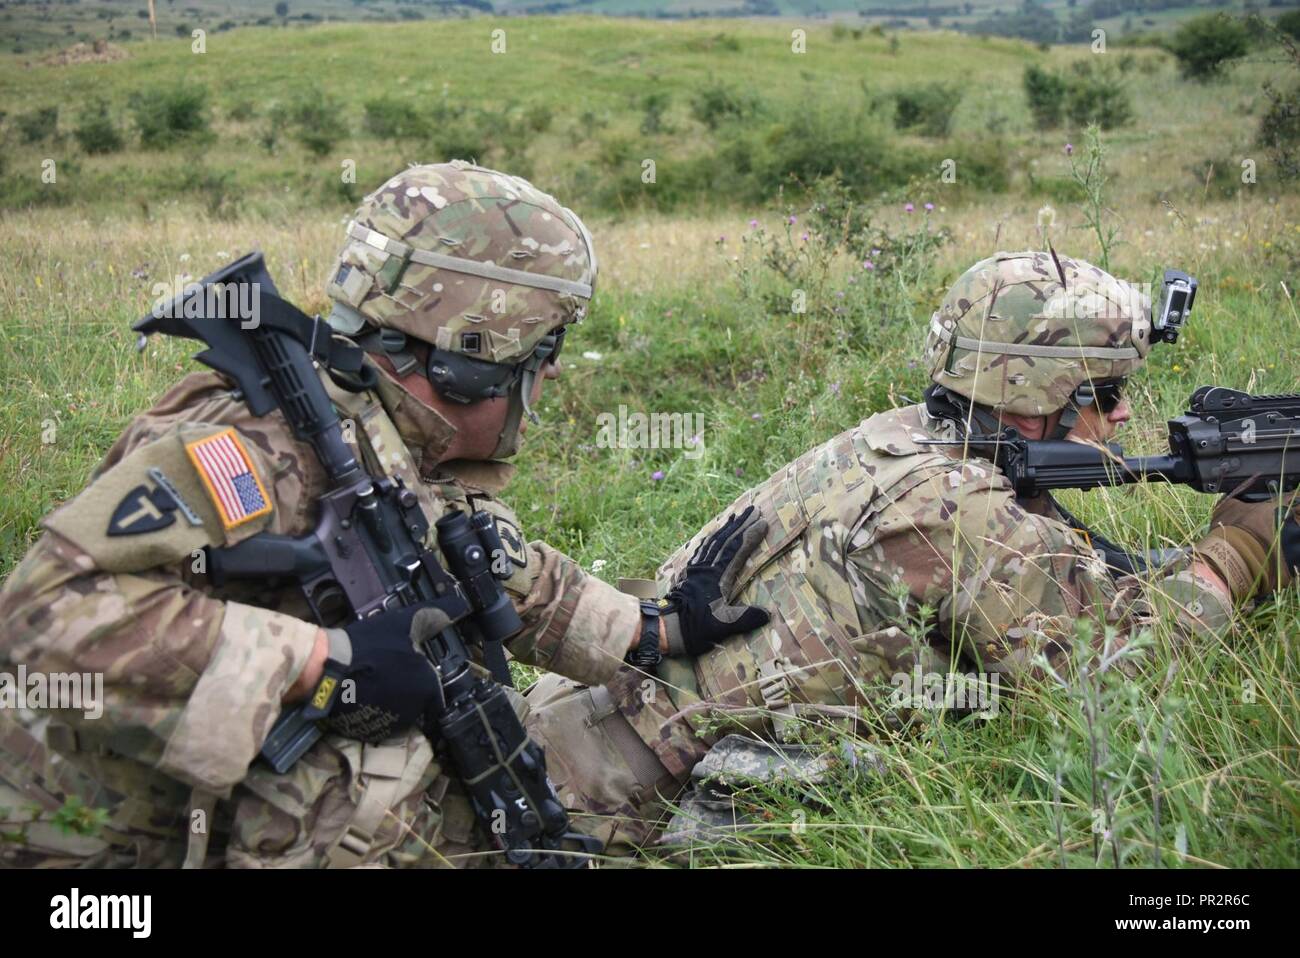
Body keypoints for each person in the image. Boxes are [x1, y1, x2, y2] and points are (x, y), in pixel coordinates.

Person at [0, 161, 767, 868]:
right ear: (471, 359)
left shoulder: (373, 430)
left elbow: (471, 564)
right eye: (543, 346)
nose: (555, 369)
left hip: (201, 810)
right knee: (374, 781)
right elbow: (42, 618)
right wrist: (323, 663)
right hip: (90, 851)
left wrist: (651, 629)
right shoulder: (248, 449)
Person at [524, 249, 1300, 855]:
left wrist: (1161, 566)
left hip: (565, 733)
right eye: (1103, 393)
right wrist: (1234, 552)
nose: (1126, 412)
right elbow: (1113, 682)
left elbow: (1054, 570)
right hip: (598, 812)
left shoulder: (898, 438)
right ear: (1034, 395)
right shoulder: (949, 506)